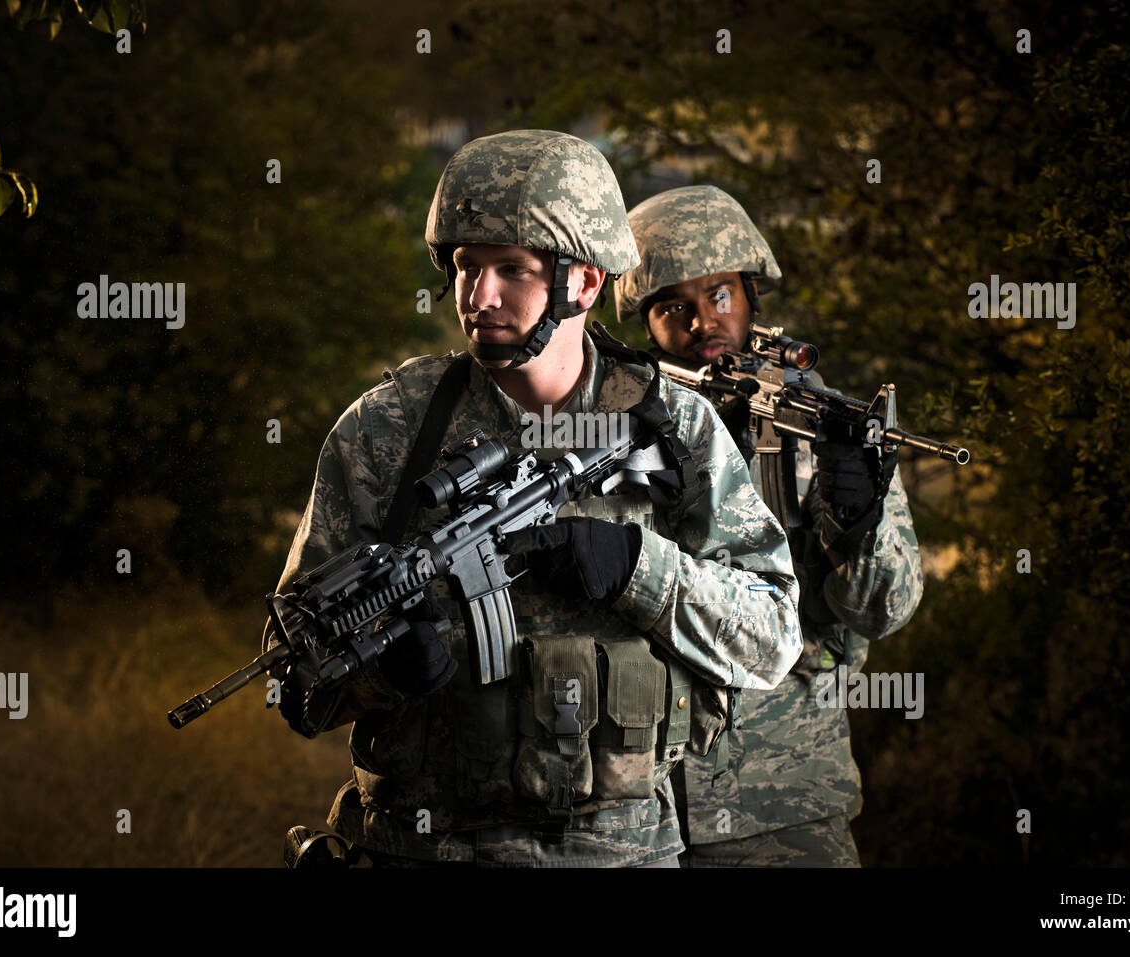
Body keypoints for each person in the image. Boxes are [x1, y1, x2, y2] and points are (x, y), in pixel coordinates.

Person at [266, 134, 802, 867]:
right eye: (466, 267)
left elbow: (772, 635)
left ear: (584, 281)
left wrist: (641, 569)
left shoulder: (671, 425)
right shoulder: (387, 431)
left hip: (618, 853)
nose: (478, 296)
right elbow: (290, 677)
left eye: (511, 269)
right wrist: (376, 675)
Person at [614, 184, 923, 867]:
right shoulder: (618, 434)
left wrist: (857, 520)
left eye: (719, 292)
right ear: (646, 325)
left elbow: (881, 611)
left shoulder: (829, 426)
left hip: (785, 798)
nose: (702, 322)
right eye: (673, 307)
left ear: (752, 295)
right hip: (635, 812)